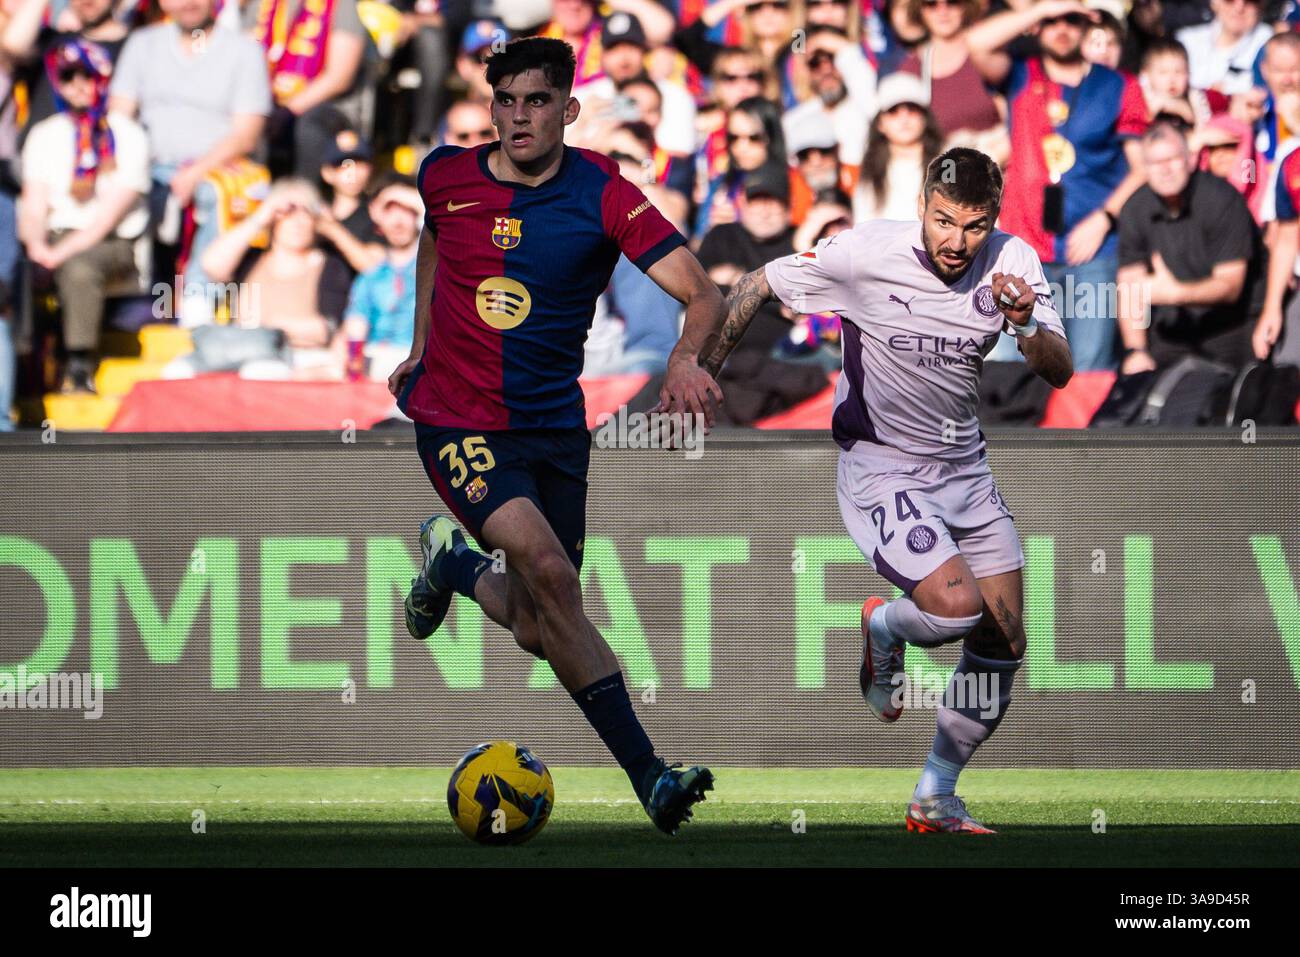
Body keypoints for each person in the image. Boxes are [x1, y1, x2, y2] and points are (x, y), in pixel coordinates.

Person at [387, 37, 724, 835]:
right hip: (457, 417)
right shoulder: (446, 174)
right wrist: (419, 345)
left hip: (553, 429)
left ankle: (456, 566)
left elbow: (703, 291)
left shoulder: (604, 192)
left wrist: (683, 358)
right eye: (505, 101)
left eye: (536, 101)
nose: (517, 117)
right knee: (548, 570)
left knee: (541, 623)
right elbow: (435, 236)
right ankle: (653, 778)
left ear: (567, 110)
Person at [702, 148, 1073, 833]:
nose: (956, 241)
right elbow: (755, 284)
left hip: (966, 469)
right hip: (882, 464)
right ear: (922, 202)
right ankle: (882, 624)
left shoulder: (1013, 260)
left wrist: (1023, 323)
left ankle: (935, 795)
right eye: (943, 221)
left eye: (974, 225)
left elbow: (1060, 371)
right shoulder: (864, 252)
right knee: (957, 607)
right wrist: (700, 375)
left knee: (1006, 640)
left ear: (993, 217)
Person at [967, 0, 1149, 373]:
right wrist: (1040, 9)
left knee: (1087, 371)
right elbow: (976, 45)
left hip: (1093, 253)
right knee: (1010, 370)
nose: (1061, 27)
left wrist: (1105, 218)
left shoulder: (1118, 84)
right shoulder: (1020, 74)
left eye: (1071, 19)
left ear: (1087, 24)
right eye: (1051, 21)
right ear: (1036, 27)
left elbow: (1141, 169)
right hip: (1023, 249)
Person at [107, 0, 271, 315]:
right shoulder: (143, 45)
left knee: (219, 193)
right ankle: (133, 301)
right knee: (122, 189)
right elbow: (119, 116)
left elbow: (246, 134)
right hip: (149, 165)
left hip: (220, 167)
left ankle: (198, 295)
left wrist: (196, 172)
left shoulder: (244, 52)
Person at [18, 38, 150, 393]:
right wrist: (35, 248)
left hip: (112, 244)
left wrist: (55, 257)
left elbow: (107, 219)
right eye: (69, 76)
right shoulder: (45, 134)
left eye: (87, 76)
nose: (78, 84)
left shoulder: (128, 135)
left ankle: (78, 364)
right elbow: (33, 204)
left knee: (79, 268)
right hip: (53, 238)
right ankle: (25, 367)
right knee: (13, 268)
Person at [1116, 122, 1263, 374]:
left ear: (1191, 159)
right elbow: (1130, 286)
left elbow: (1231, 286)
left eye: (1172, 159)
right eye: (1154, 163)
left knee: (1231, 405)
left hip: (1232, 323)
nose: (1164, 170)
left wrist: (1175, 293)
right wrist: (1136, 351)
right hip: (1173, 327)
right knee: (1149, 390)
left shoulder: (1222, 199)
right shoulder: (1134, 209)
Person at [853, 71, 943, 221]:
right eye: (893, 111)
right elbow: (863, 229)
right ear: (880, 123)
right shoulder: (871, 174)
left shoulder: (949, 163)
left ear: (925, 118)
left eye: (912, 109)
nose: (904, 118)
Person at [1174, 0, 1271, 96]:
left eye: (1250, 1)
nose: (1239, 7)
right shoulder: (1185, 41)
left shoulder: (1270, 44)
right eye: (1229, 0)